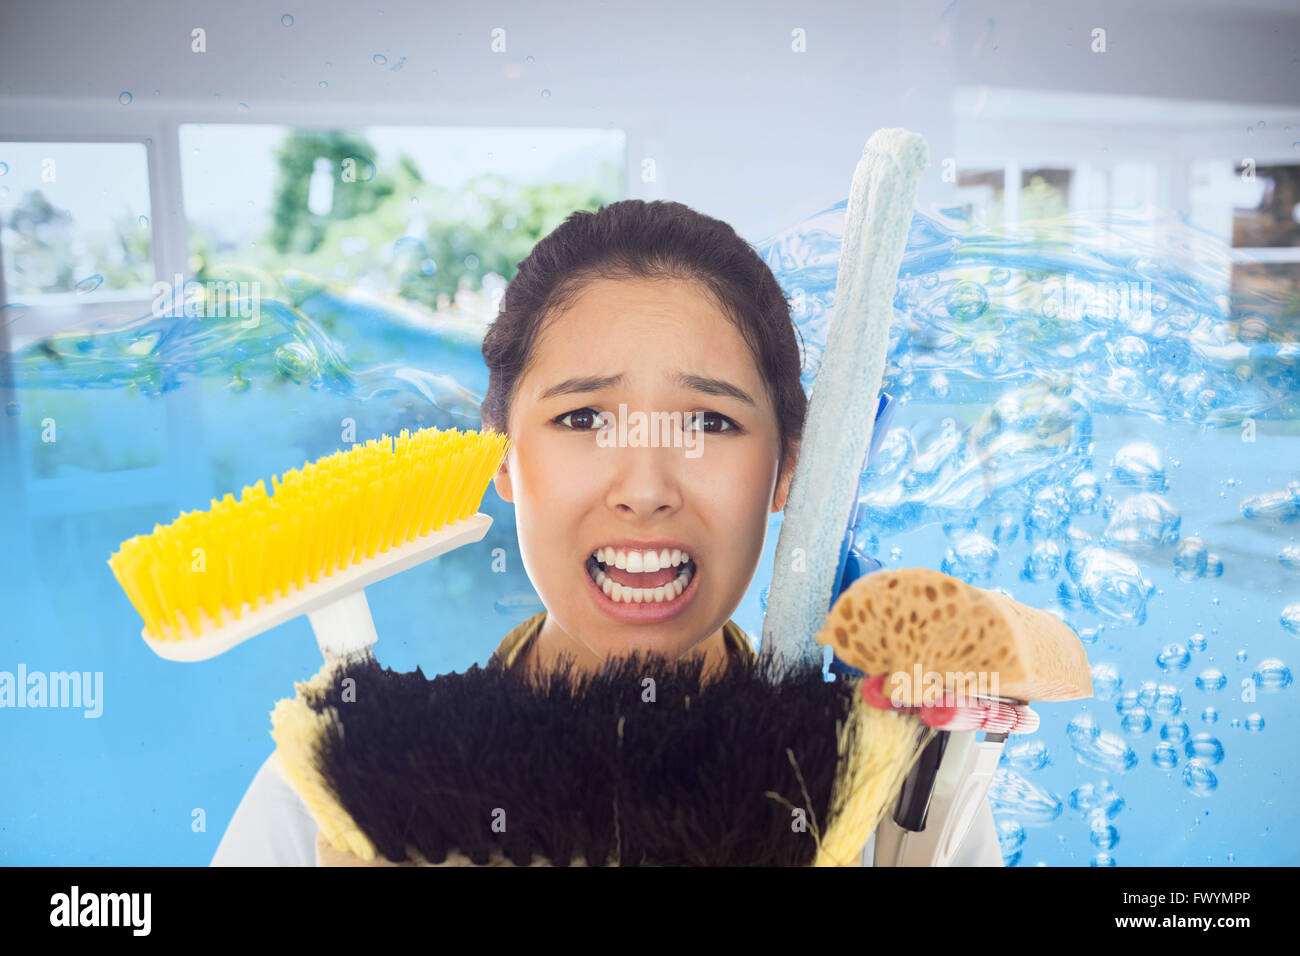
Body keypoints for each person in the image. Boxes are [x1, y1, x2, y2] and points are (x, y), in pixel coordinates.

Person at [212, 199, 1004, 867]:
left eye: (708, 422)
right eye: (584, 417)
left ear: (788, 467)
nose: (645, 490)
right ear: (500, 455)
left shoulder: (902, 803)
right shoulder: (323, 796)